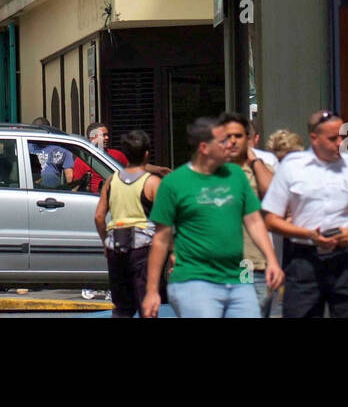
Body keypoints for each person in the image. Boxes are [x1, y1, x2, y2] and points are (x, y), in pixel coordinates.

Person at [142, 116, 283, 318]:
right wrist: (152, 290)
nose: (230, 144)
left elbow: (253, 220)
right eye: (223, 141)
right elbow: (161, 239)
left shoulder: (235, 175)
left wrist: (272, 260)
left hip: (238, 280)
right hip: (194, 281)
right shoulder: (173, 183)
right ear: (204, 148)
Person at [261, 111, 348, 318]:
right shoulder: (292, 167)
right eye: (333, 138)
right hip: (304, 259)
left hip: (347, 259)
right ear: (314, 138)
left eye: (342, 136)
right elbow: (271, 220)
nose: (340, 143)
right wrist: (308, 234)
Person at [94, 130, 163, 317]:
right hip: (143, 250)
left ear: (125, 154)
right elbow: (165, 222)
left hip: (116, 247)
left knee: (122, 308)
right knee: (146, 306)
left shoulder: (111, 181)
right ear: (147, 154)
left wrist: (105, 241)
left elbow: (99, 217)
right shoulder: (152, 183)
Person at [219, 112, 278, 315]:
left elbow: (273, 194)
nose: (233, 141)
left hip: (255, 263)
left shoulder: (262, 167)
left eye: (238, 136)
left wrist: (255, 162)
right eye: (227, 137)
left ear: (249, 139)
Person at [28, 117, 73, 188]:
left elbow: (69, 174)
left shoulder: (60, 148)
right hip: (31, 190)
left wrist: (70, 191)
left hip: (53, 191)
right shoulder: (26, 145)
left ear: (48, 131)